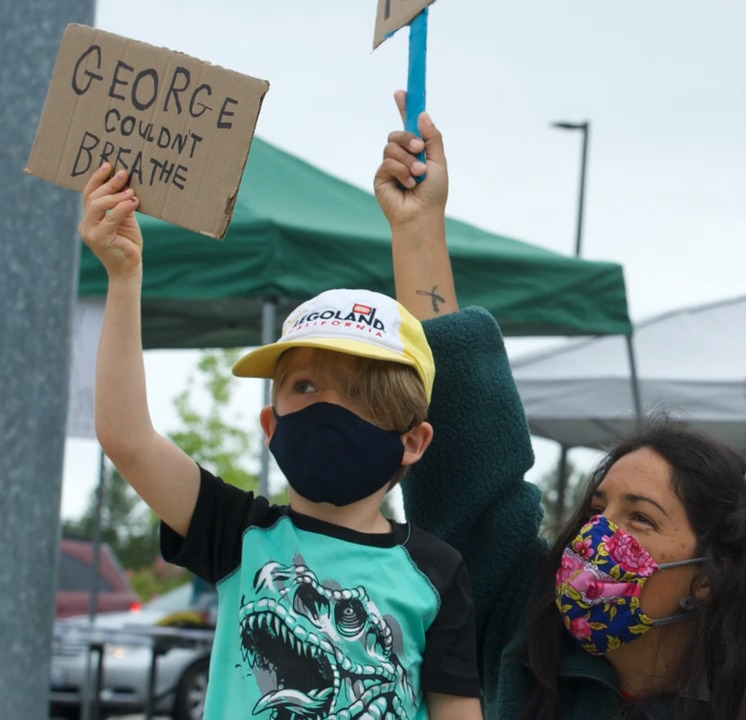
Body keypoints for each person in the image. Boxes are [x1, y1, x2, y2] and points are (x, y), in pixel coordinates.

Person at [384, 117, 746, 720]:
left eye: (641, 519)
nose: (598, 539)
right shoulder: (524, 651)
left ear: (711, 575)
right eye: (598, 509)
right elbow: (466, 462)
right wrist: (419, 229)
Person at [78, 97, 482, 720]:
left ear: (413, 441)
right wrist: (124, 277)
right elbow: (126, 436)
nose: (327, 409)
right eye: (304, 388)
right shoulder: (240, 537)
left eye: (360, 393)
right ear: (270, 426)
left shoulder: (436, 572)